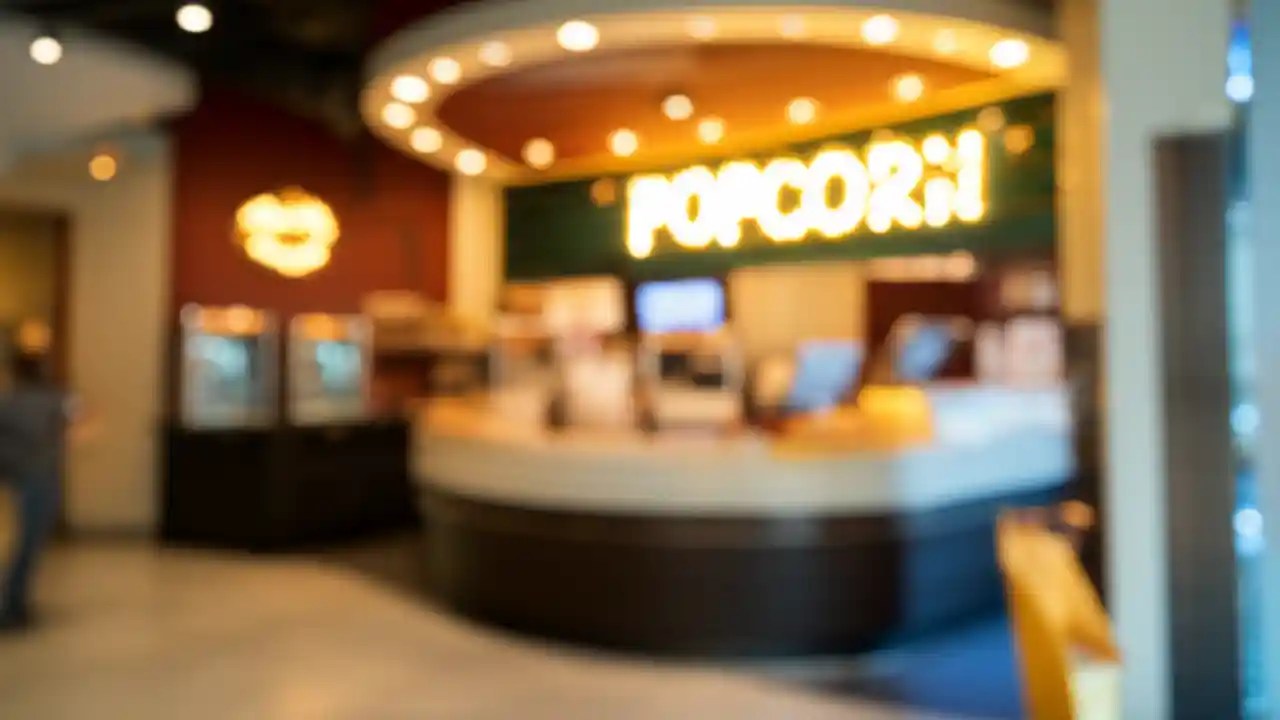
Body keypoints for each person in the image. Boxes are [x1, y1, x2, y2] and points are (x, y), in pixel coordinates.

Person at [0, 348, 67, 631]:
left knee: (24, 543)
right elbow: (78, 423)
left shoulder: (9, 402)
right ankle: (13, 605)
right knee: (29, 543)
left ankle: (15, 602)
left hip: (15, 476)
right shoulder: (52, 400)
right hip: (39, 478)